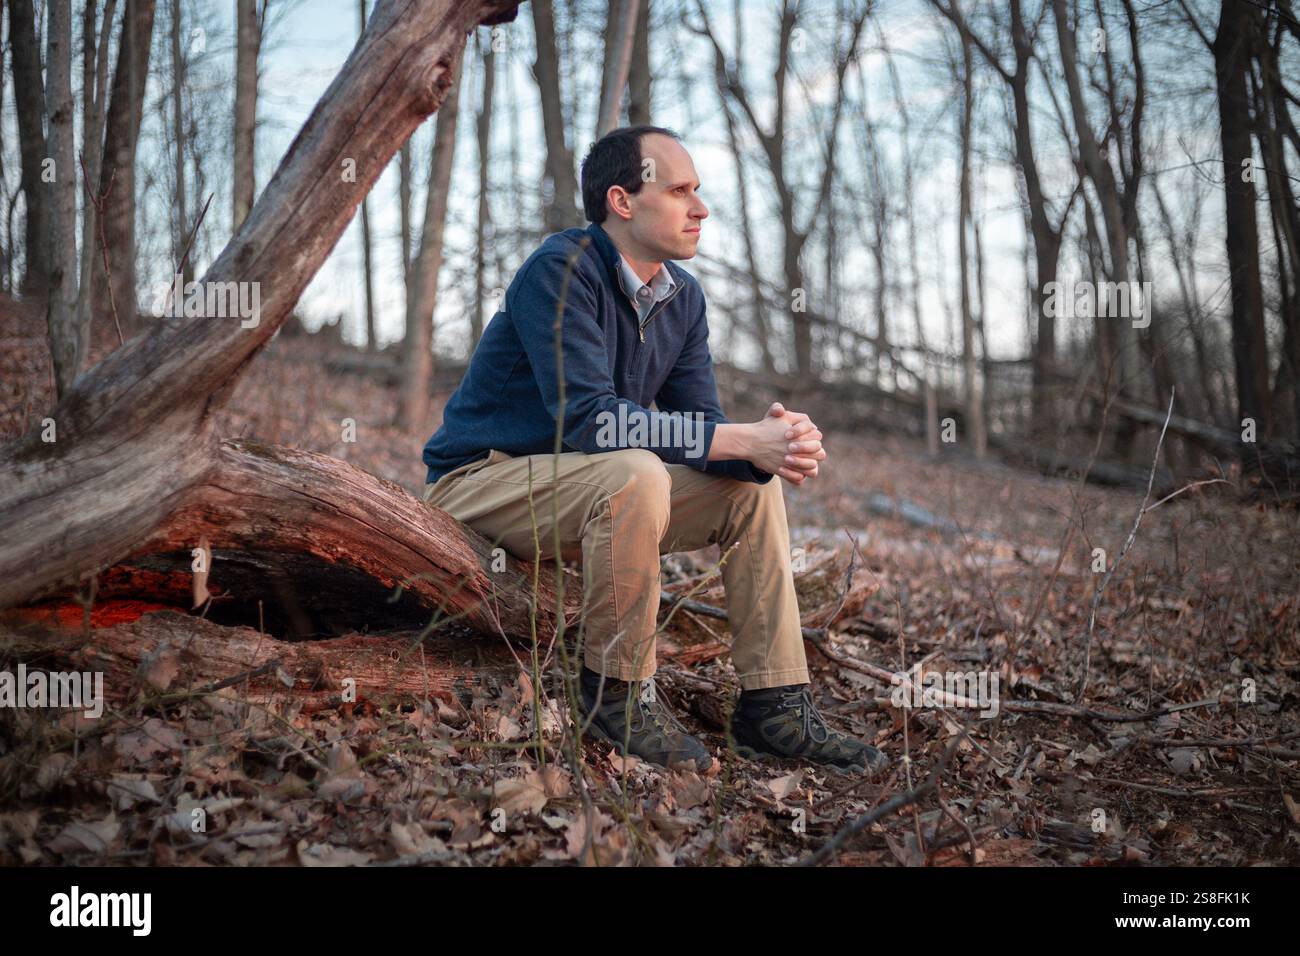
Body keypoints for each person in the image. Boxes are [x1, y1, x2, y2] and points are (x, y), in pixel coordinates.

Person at [421, 125, 887, 776]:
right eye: (679, 190)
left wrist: (768, 446)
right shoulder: (561, 270)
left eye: (699, 192)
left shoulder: (683, 298)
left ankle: (774, 706)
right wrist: (737, 438)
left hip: (582, 491)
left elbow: (701, 430)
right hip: (482, 483)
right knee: (635, 473)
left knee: (749, 490)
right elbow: (589, 422)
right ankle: (617, 696)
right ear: (622, 200)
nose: (701, 208)